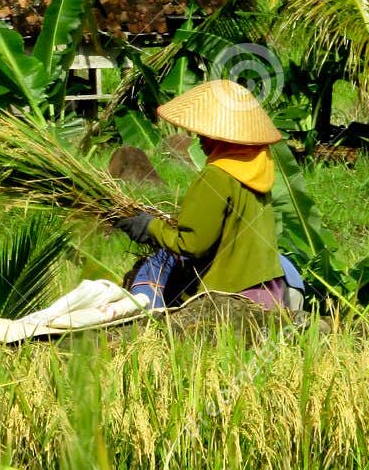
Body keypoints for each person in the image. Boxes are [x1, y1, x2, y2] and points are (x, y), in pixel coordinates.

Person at [115, 79, 297, 311]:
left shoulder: (216, 176)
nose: (199, 138)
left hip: (232, 297)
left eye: (206, 132)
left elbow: (192, 244)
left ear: (223, 135)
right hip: (270, 291)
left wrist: (149, 227)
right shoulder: (257, 171)